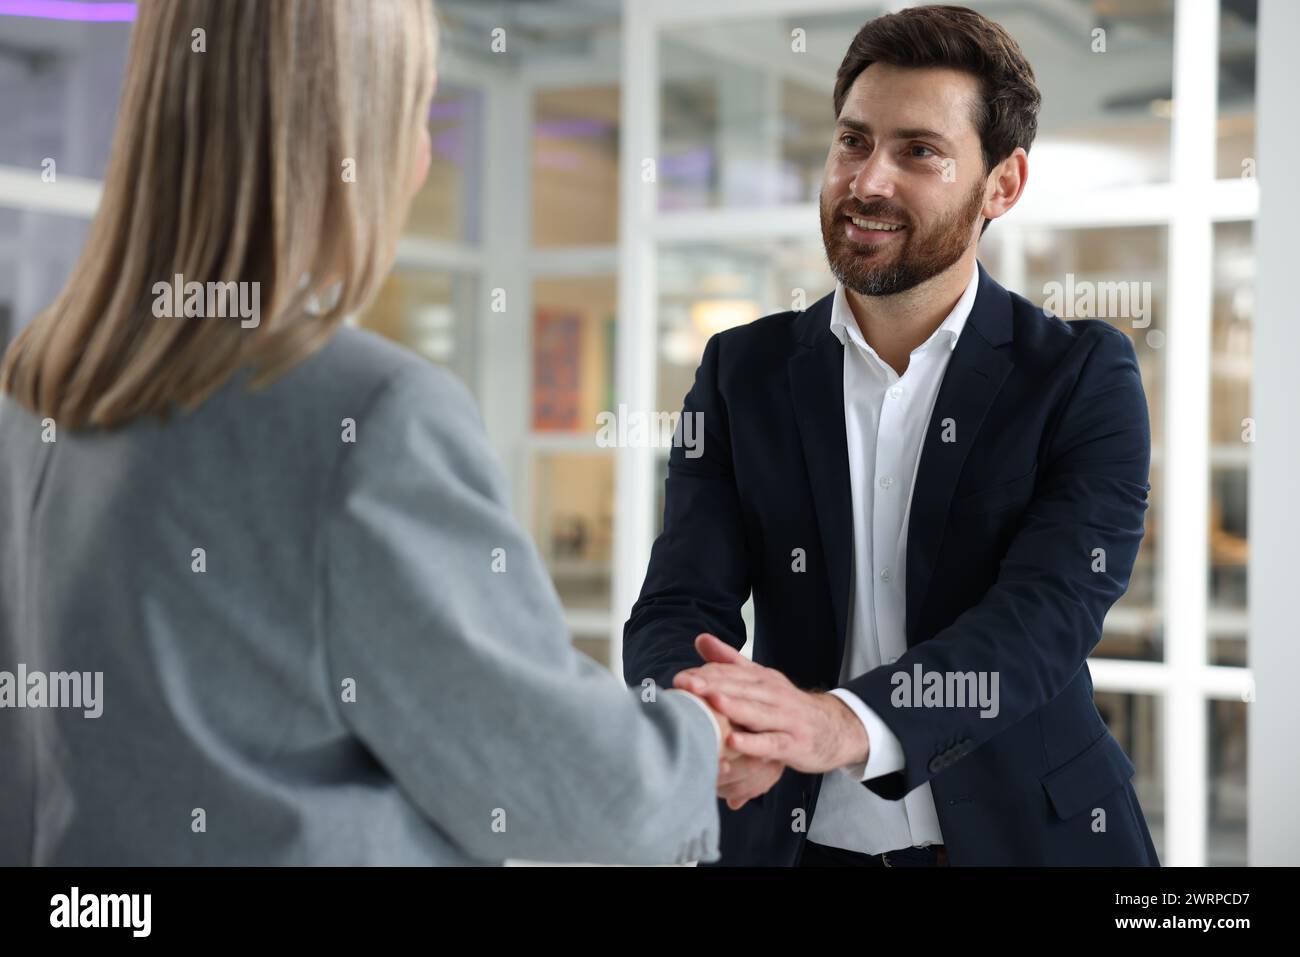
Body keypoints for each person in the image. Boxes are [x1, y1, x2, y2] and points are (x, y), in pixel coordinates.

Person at [0, 0, 729, 866]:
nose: (423, 155)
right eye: (417, 108)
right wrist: (702, 731)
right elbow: (580, 793)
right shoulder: (367, 412)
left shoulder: (37, 384)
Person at [624, 4, 1160, 867]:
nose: (867, 181)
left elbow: (1043, 618)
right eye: (852, 141)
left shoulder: (1079, 376)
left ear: (1002, 186)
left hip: (1028, 839)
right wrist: (704, 720)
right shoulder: (740, 372)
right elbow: (681, 600)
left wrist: (842, 724)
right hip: (789, 840)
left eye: (919, 150)